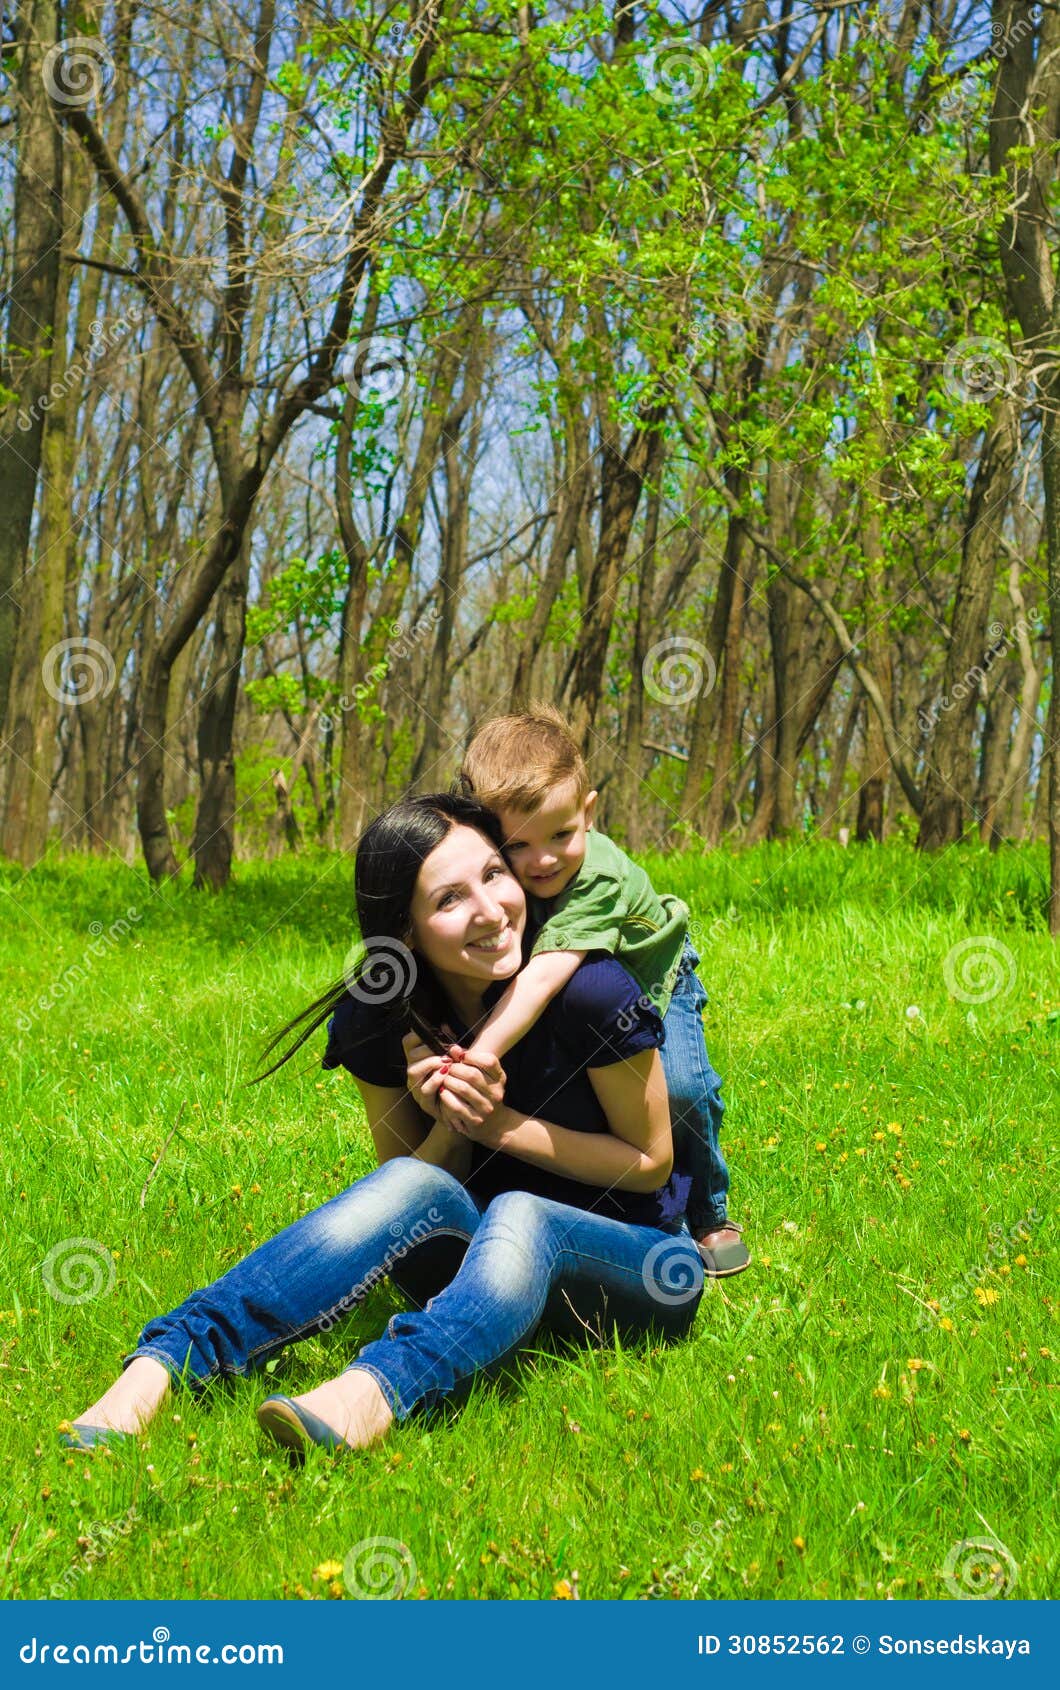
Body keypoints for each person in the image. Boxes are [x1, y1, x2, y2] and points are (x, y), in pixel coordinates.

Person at [58, 791, 704, 1459]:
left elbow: (650, 1161)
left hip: (643, 1264)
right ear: (405, 932)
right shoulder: (381, 1018)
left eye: (493, 874)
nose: (491, 911)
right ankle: (164, 1363)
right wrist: (450, 1125)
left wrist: (498, 1125)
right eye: (449, 900)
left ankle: (375, 1391)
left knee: (524, 1211)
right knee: (410, 1183)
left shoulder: (590, 992)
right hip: (481, 1274)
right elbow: (406, 1204)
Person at [453, 704, 749, 1276]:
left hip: (658, 976)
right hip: (592, 994)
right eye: (516, 845)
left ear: (588, 813)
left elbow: (542, 976)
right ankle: (638, 1210)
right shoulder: (505, 873)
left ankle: (708, 1212)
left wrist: (480, 1053)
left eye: (562, 835)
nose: (541, 860)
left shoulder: (598, 875)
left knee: (682, 1092)